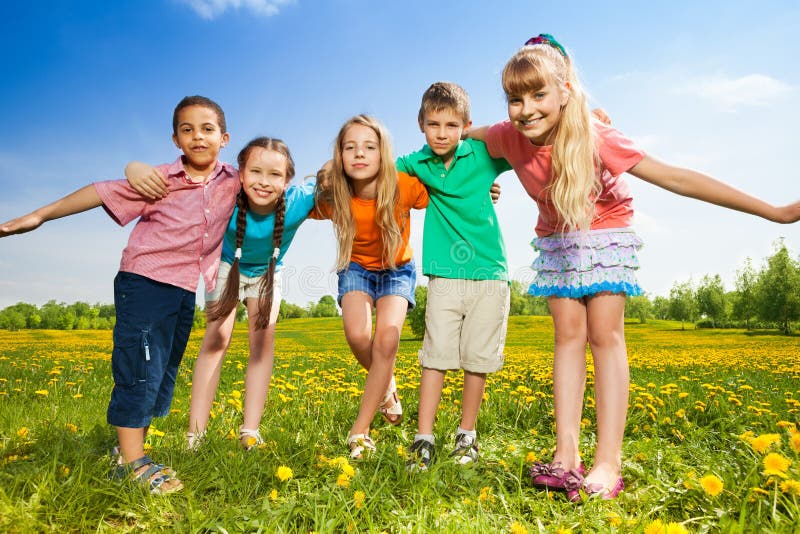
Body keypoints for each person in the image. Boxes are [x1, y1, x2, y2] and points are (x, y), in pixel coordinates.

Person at [472, 34, 800, 500]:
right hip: (557, 238)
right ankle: (566, 455)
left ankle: (608, 461)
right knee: (567, 335)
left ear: (565, 91)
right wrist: (479, 184)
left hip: (605, 231)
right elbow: (458, 140)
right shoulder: (507, 135)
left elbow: (676, 178)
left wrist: (774, 211)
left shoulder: (595, 133)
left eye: (538, 95)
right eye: (514, 98)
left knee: (604, 335)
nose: (525, 109)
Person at [0, 95, 240, 494]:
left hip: (183, 289)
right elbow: (99, 191)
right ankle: (132, 465)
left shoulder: (232, 181)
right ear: (176, 140)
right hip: (143, 282)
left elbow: (272, 175)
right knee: (139, 369)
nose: (198, 136)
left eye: (207, 128)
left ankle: (128, 451)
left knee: (161, 372)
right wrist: (39, 215)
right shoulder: (157, 180)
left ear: (224, 137)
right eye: (187, 129)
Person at [125, 137, 316, 451]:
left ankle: (250, 431)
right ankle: (195, 435)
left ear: (288, 181)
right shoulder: (223, 188)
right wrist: (133, 167)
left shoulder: (299, 200)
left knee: (262, 339)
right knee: (217, 336)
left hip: (269, 271)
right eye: (255, 172)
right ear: (239, 173)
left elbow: (334, 181)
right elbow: (180, 176)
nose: (264, 182)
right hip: (226, 264)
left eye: (275, 175)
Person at [395, 82, 512, 471]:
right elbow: (377, 167)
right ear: (421, 125)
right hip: (443, 276)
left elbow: (524, 138)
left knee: (477, 359)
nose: (442, 133)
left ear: (466, 126)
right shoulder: (417, 163)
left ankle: (466, 435)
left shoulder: (482, 153)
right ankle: (423, 438)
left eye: (451, 124)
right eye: (433, 124)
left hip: (490, 274)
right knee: (435, 356)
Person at [311, 115, 429, 459]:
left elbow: (445, 192)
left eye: (369, 147)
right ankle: (388, 387)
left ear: (383, 154)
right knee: (358, 336)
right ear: (339, 156)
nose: (359, 154)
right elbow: (293, 205)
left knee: (387, 340)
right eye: (350, 148)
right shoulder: (336, 196)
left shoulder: (403, 185)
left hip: (397, 270)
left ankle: (359, 430)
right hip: (356, 269)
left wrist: (484, 189)